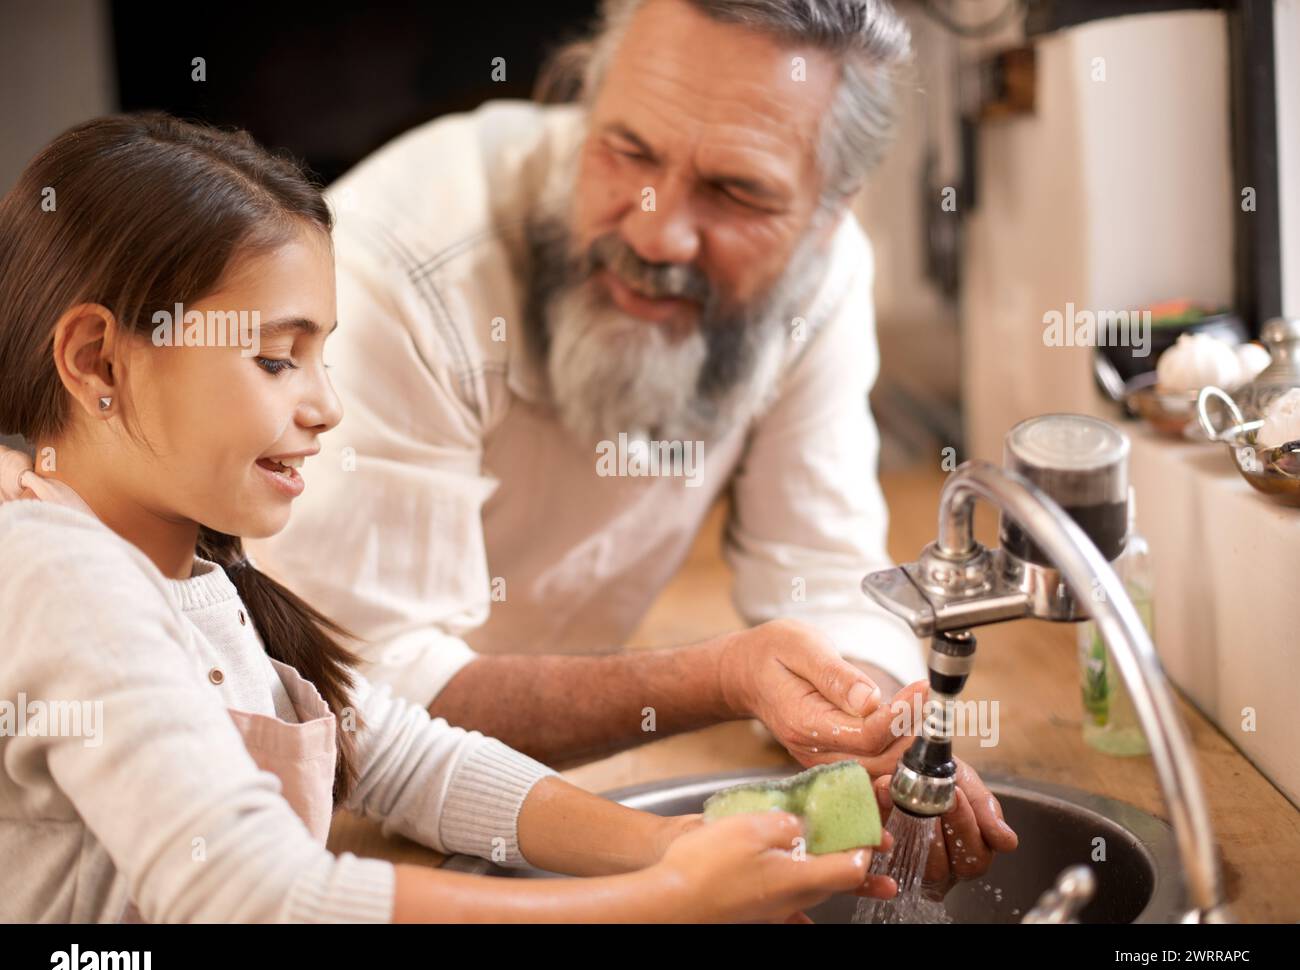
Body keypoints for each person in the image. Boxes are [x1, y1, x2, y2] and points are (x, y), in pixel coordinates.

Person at [0, 113, 901, 923]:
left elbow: (403, 758)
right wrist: (658, 902)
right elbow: (256, 895)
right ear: (97, 362)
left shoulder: (196, 579)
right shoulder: (65, 582)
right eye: (277, 359)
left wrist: (668, 846)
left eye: (323, 358)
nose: (326, 407)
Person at [249, 0, 1018, 875]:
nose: (657, 232)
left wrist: (871, 726)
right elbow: (360, 703)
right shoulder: (394, 272)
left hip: (540, 791)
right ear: (583, 98)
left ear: (829, 213)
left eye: (737, 191)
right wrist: (719, 677)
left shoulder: (821, 278)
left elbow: (821, 573)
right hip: (318, 829)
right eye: (629, 152)